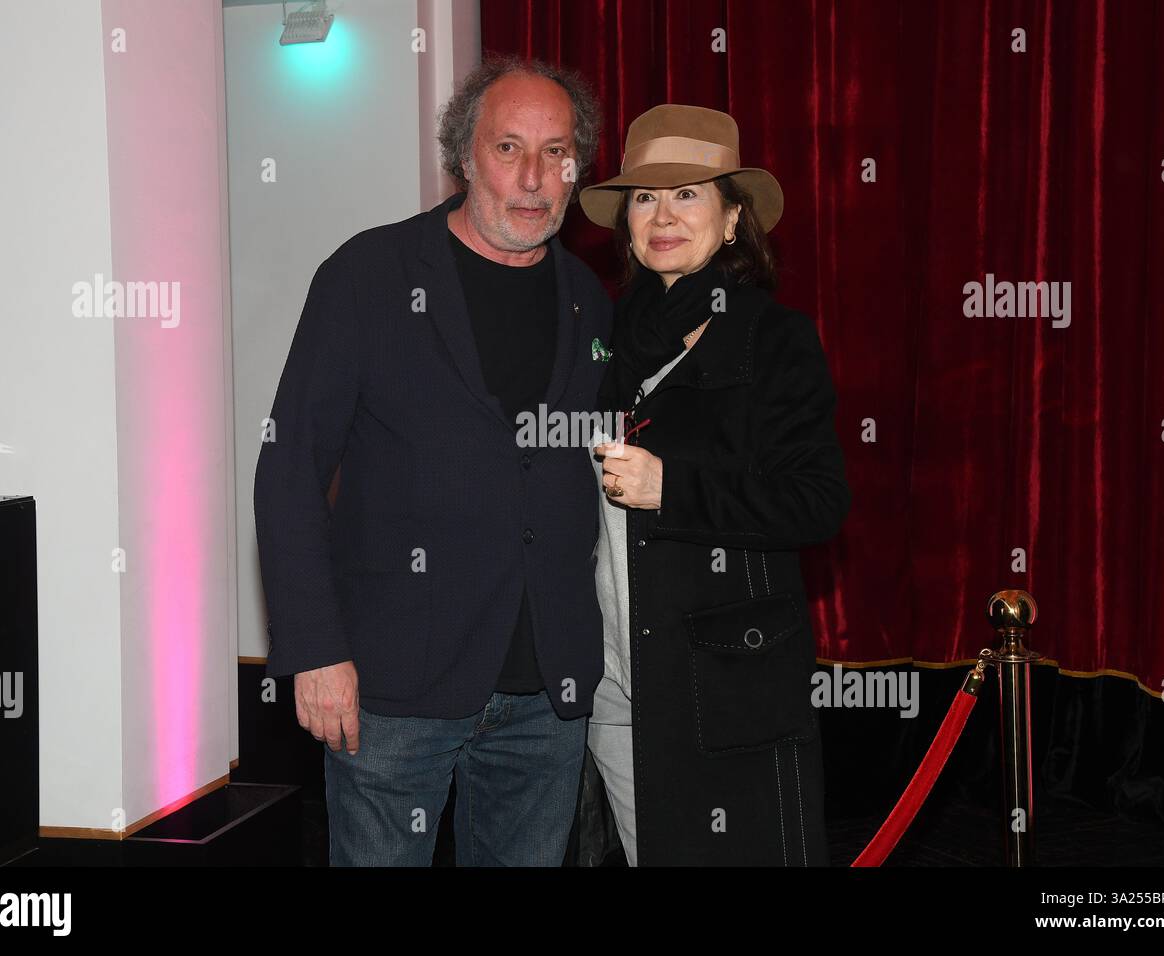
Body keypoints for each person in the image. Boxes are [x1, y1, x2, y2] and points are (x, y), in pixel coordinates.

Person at [253, 55, 611, 866]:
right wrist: (311, 647)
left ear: (577, 168)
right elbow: (288, 469)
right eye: (508, 147)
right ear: (462, 155)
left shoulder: (591, 295)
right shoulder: (368, 276)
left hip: (548, 691)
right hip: (390, 690)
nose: (532, 177)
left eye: (556, 153)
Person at [579, 104, 850, 866]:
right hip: (613, 686)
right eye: (644, 197)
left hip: (723, 686)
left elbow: (819, 501)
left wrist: (676, 490)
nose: (663, 215)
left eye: (689, 193)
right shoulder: (601, 340)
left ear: (733, 218)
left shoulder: (773, 338)